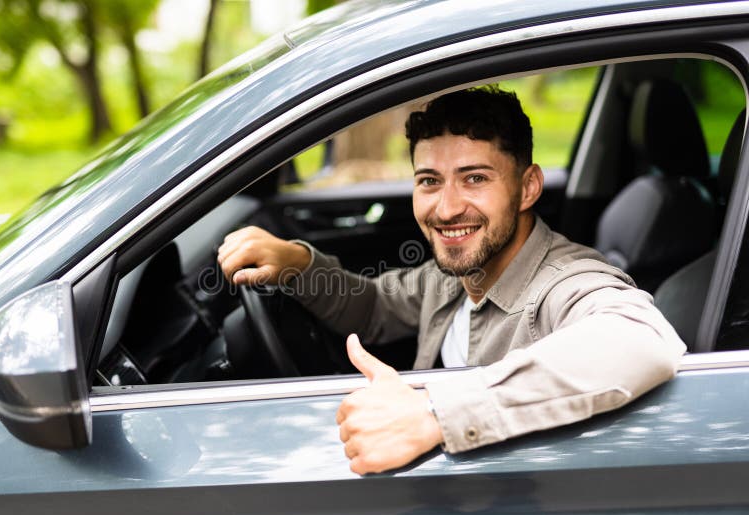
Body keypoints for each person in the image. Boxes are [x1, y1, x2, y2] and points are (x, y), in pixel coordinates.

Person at [217, 87, 685, 475]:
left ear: (527, 188)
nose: (446, 208)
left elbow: (641, 340)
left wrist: (437, 416)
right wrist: (297, 261)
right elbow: (376, 308)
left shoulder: (563, 284)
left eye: (474, 178)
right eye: (429, 181)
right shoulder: (454, 276)